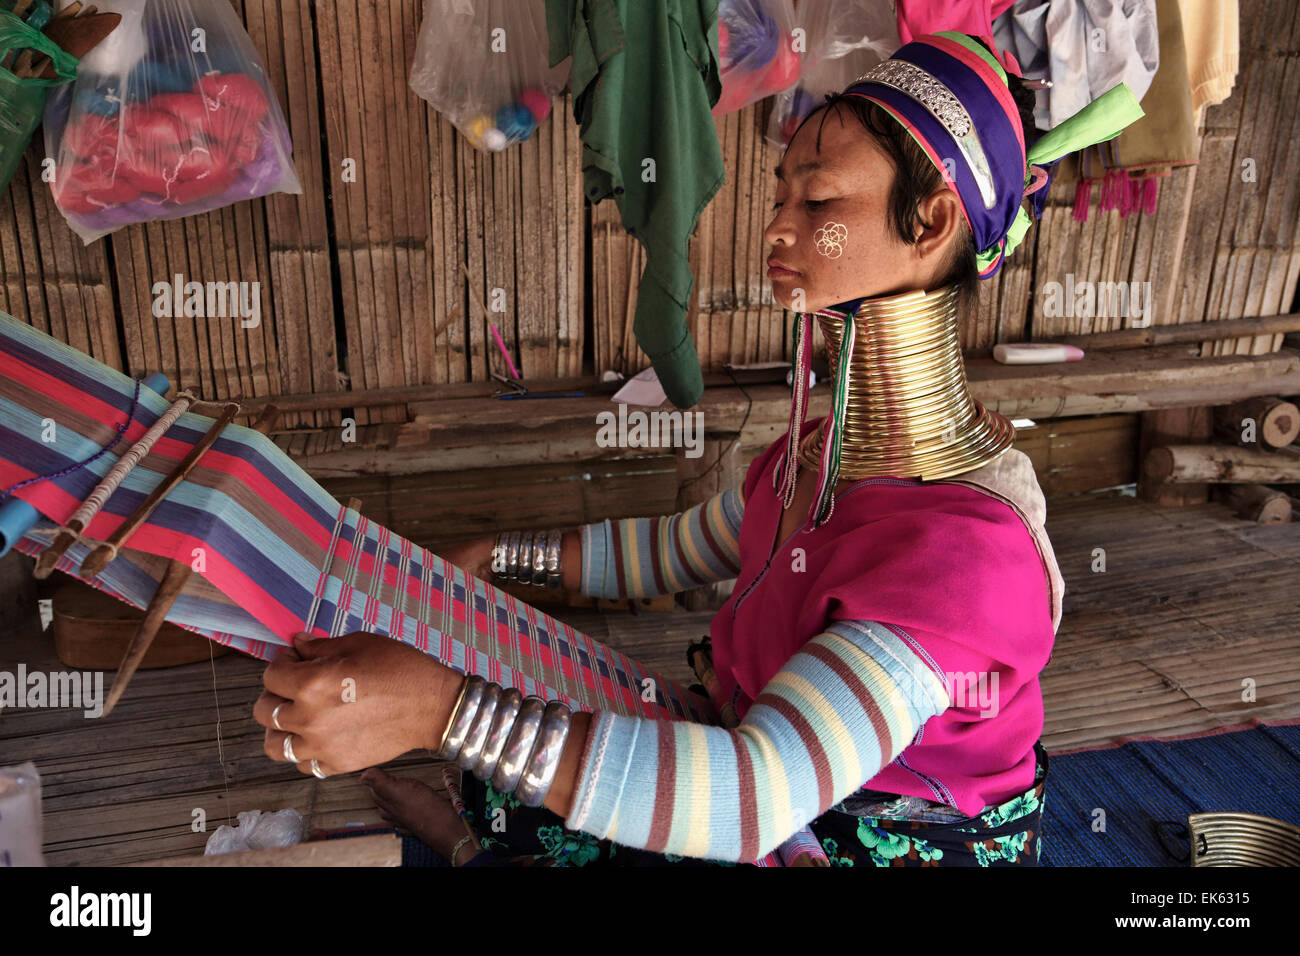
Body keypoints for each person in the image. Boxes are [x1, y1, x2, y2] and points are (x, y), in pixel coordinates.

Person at [253, 31, 1142, 867]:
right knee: (544, 765)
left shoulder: (962, 556)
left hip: (876, 830)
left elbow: (756, 795)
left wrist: (436, 709)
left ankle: (458, 843)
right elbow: (677, 548)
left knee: (566, 781)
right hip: (779, 766)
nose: (779, 229)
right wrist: (496, 559)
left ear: (932, 221)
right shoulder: (818, 455)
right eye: (781, 195)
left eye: (820, 199)